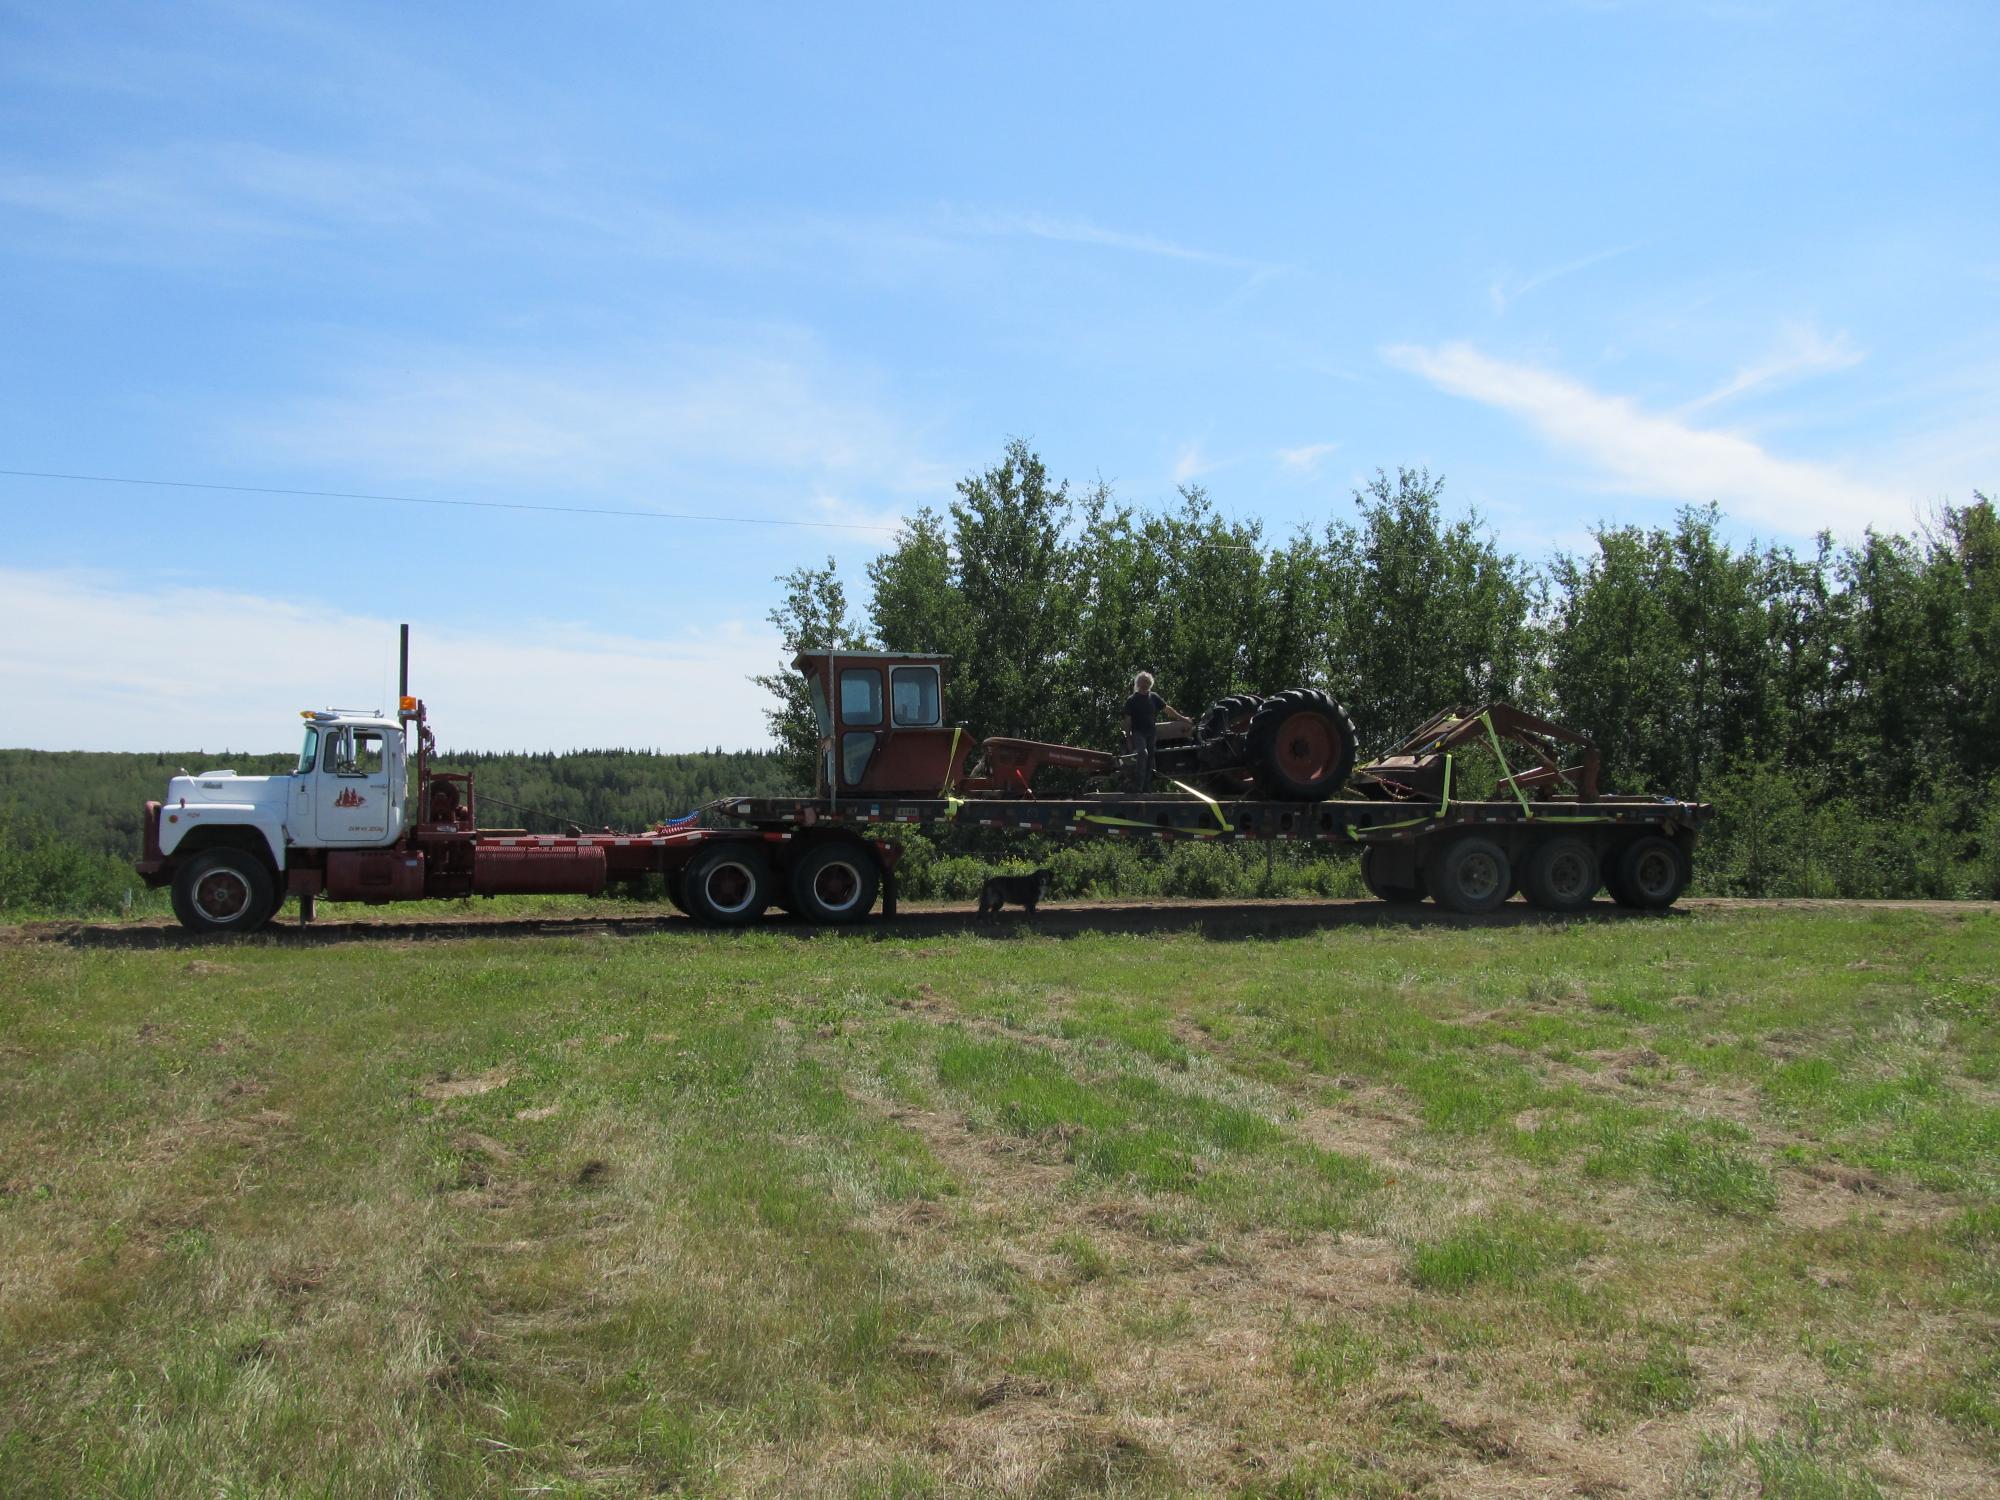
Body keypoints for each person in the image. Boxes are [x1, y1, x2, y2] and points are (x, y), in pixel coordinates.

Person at [1124, 671, 1190, 793]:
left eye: (1147, 680)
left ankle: (1147, 787)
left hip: (1151, 733)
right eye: (1143, 680)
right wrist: (1128, 739)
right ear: (1138, 683)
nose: (1145, 682)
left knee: (1150, 759)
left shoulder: (1153, 697)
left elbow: (1168, 710)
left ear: (1150, 683)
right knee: (1142, 753)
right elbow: (1127, 722)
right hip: (1138, 733)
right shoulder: (1132, 700)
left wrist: (1183, 718)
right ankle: (1138, 787)